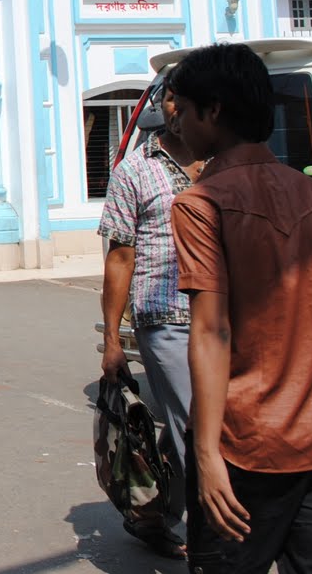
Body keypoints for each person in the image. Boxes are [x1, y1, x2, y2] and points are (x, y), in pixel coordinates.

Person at [169, 43, 312, 573]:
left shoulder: (201, 203)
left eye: (182, 107)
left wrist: (208, 455)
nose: (177, 121)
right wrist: (301, 332)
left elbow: (212, 333)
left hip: (244, 446)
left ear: (212, 111)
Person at [96, 76, 202, 560]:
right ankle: (215, 543)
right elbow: (120, 256)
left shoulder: (227, 164)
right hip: (165, 318)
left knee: (191, 428)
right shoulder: (135, 170)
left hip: (227, 317)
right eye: (179, 99)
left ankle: (153, 512)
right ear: (169, 104)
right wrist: (114, 339)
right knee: (195, 430)